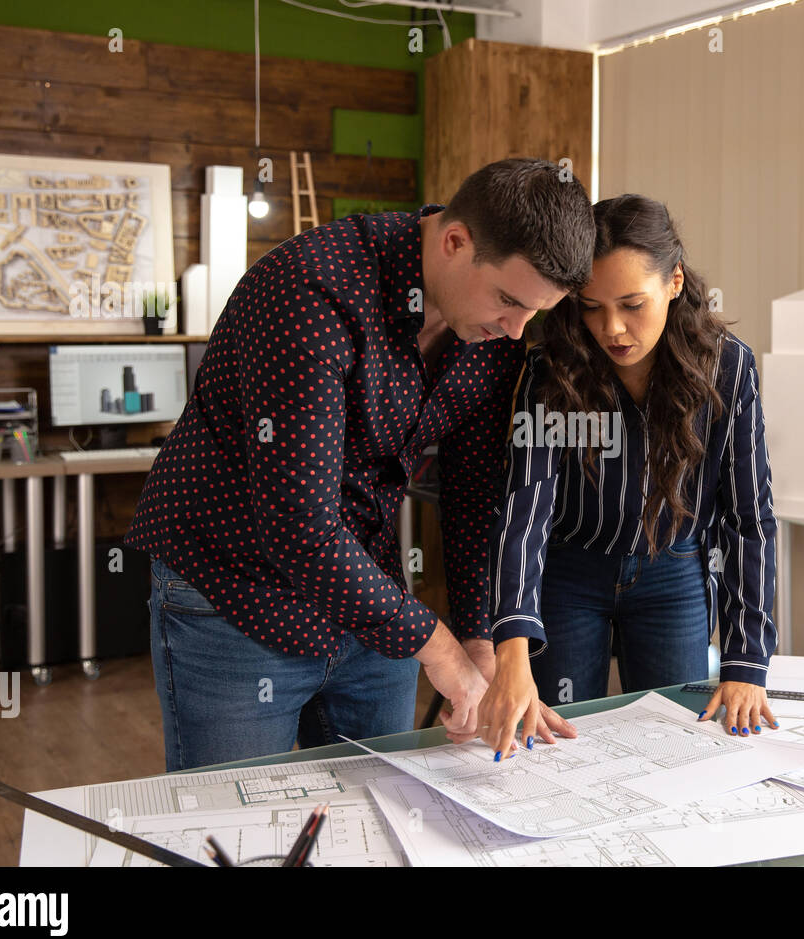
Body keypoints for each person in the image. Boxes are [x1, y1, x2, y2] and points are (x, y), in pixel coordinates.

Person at [124, 158, 595, 772]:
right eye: (508, 301)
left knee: (384, 817)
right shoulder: (309, 290)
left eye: (535, 312)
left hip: (367, 602)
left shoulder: (493, 335)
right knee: (228, 829)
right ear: (454, 242)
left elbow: (475, 490)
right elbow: (298, 523)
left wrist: (479, 638)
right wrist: (440, 651)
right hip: (230, 595)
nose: (515, 330)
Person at [474, 194, 779, 760]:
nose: (611, 329)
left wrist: (746, 661)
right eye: (591, 307)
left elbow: (748, 514)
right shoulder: (552, 367)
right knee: (554, 747)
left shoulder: (728, 366)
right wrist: (511, 644)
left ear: (676, 281)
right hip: (570, 576)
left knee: (675, 749)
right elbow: (526, 509)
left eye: (632, 304)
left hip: (674, 575)